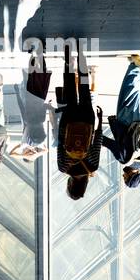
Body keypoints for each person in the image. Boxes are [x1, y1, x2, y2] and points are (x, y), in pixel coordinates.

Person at [101, 54, 140, 187]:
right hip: (127, 120)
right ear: (130, 176)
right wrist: (93, 138)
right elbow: (109, 143)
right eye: (125, 178)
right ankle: (136, 64)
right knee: (128, 91)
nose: (123, 175)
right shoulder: (125, 160)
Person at [55, 42, 102, 199]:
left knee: (84, 88)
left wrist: (100, 122)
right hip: (69, 122)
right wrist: (62, 123)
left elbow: (97, 143)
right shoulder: (63, 168)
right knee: (69, 87)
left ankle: (81, 53)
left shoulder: (92, 166)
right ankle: (68, 58)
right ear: (70, 184)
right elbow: (60, 143)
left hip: (87, 121)